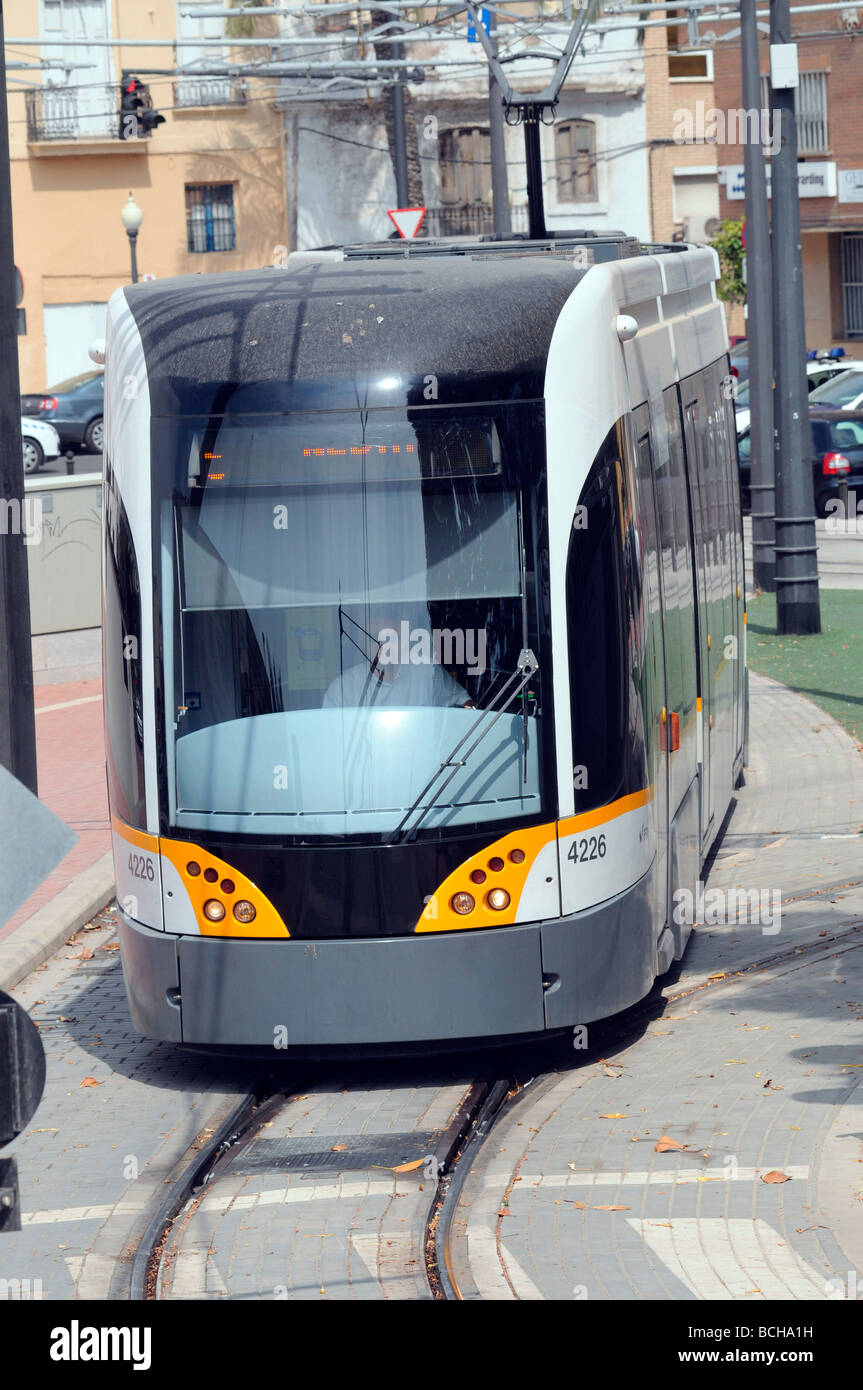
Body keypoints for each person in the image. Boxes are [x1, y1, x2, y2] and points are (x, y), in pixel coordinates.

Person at [323, 613, 474, 709]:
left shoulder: (427, 672)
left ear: (401, 640)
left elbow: (467, 706)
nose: (382, 644)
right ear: (362, 643)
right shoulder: (343, 688)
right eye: (374, 637)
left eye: (388, 637)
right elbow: (331, 738)